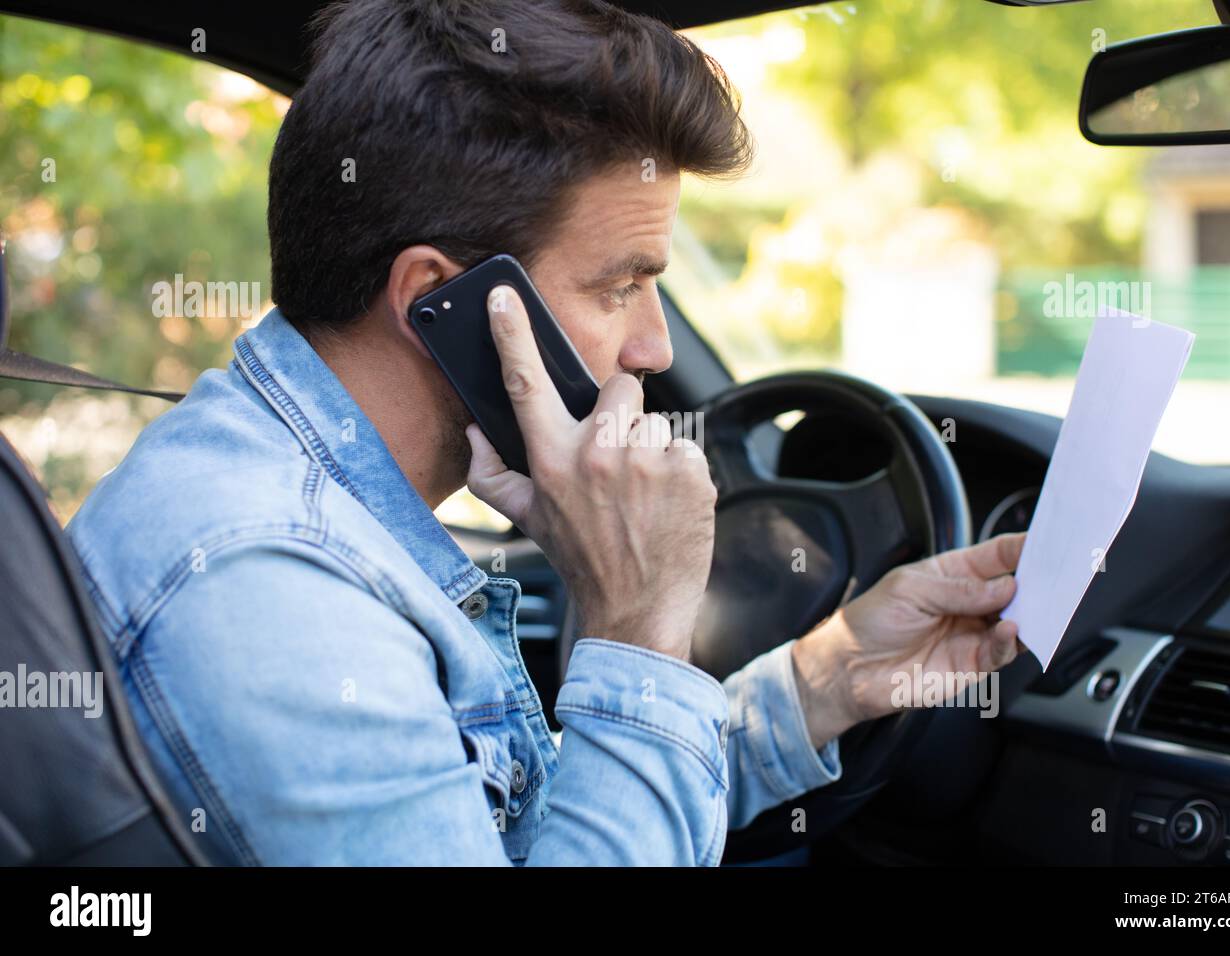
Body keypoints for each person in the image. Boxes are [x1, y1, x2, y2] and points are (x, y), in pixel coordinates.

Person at [68, 0, 1025, 865]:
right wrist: (643, 625)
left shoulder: (300, 501)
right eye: (620, 287)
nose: (652, 346)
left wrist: (831, 677)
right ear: (442, 300)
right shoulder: (271, 594)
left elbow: (528, 829)